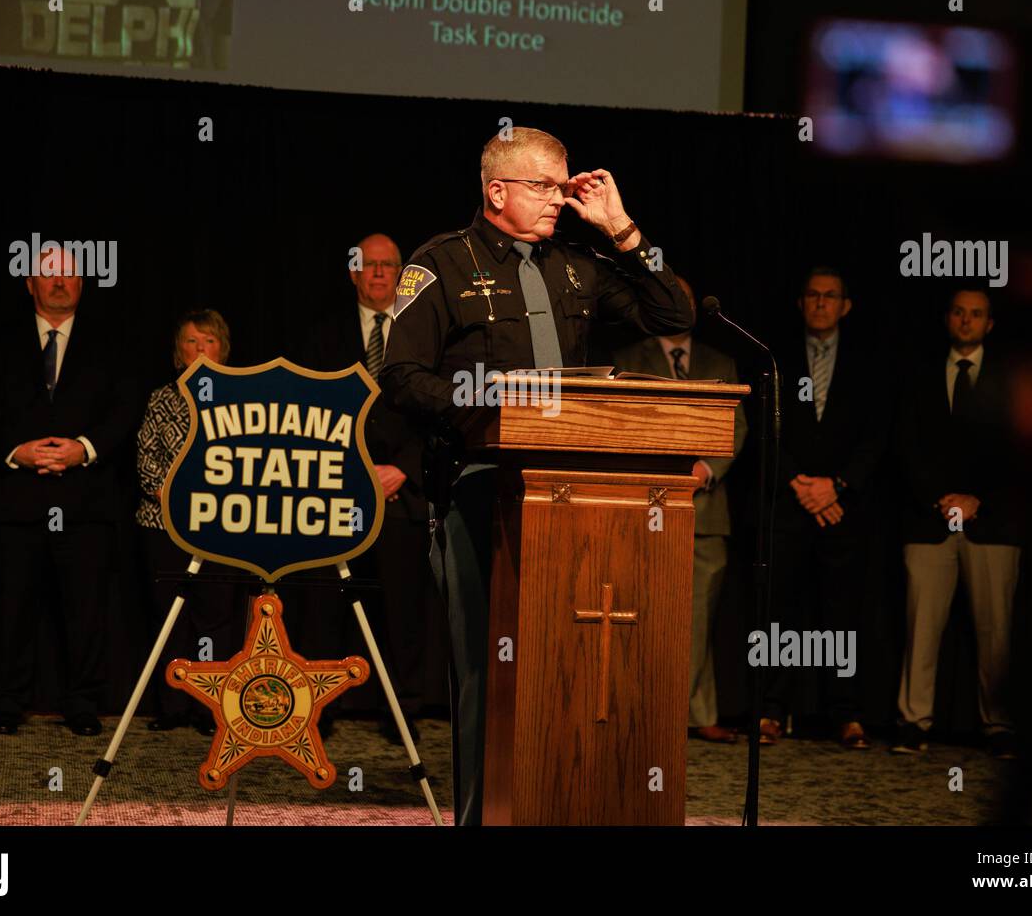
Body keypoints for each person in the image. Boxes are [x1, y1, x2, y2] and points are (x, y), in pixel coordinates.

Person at [381, 127, 694, 825]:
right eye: (544, 187)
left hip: (576, 494)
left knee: (566, 664)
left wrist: (622, 228)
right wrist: (490, 404)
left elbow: (673, 313)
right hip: (478, 484)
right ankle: (477, 818)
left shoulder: (578, 265)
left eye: (563, 186)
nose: (559, 200)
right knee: (483, 671)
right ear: (497, 191)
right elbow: (400, 375)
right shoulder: (439, 263)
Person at [0, 248, 138, 736]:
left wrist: (83, 449)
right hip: (14, 499)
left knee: (86, 609)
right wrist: (15, 450)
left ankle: (83, 702)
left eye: (68, 272)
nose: (59, 281)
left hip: (85, 499)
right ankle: (7, 702)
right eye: (47, 274)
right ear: (29, 284)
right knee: (10, 607)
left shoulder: (112, 344)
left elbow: (125, 409)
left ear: (83, 282)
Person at [297, 233, 443, 744]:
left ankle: (402, 713)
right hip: (337, 494)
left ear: (401, 275)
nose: (379, 273)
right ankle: (320, 709)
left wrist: (403, 468)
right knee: (325, 607)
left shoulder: (422, 334)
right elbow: (309, 413)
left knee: (402, 611)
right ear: (353, 273)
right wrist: (355, 474)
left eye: (388, 266)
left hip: (402, 495)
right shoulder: (320, 337)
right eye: (368, 265)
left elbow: (436, 413)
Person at [613, 275, 747, 744]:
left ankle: (697, 712)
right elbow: (621, 425)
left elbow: (736, 427)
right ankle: (650, 709)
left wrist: (705, 469)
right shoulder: (629, 359)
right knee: (646, 614)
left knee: (699, 617)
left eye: (684, 299)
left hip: (706, 512)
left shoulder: (721, 360)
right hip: (644, 508)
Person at [760, 267, 887, 749]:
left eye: (830, 296)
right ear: (800, 303)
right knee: (780, 613)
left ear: (845, 306)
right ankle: (771, 712)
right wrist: (799, 482)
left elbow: (877, 436)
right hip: (790, 504)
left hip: (843, 508)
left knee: (843, 615)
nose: (820, 303)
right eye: (812, 295)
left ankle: (847, 714)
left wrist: (836, 486)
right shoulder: (774, 357)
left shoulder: (869, 362)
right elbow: (764, 428)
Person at [893, 287, 1021, 758]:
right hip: (928, 520)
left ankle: (999, 724)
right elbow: (905, 444)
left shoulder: (1011, 380)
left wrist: (976, 500)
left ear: (990, 324)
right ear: (948, 319)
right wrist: (939, 499)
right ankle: (912, 722)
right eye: (959, 313)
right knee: (921, 626)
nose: (967, 321)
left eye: (977, 315)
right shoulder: (919, 373)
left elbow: (1021, 453)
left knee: (996, 630)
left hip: (993, 525)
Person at [136, 309, 244, 734]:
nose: (201, 351)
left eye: (210, 342)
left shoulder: (244, 401)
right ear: (179, 354)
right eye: (191, 343)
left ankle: (208, 708)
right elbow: (147, 463)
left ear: (224, 350)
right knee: (170, 619)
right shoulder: (161, 399)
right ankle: (172, 706)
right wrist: (178, 499)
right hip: (164, 527)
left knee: (215, 620)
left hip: (223, 527)